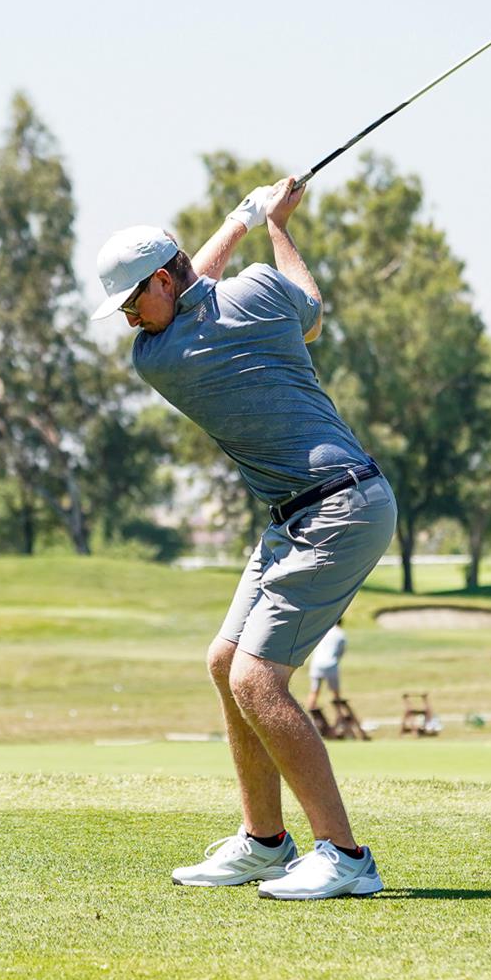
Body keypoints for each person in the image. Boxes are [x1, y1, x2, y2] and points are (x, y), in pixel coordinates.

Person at [91, 177, 393, 901]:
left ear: (164, 279)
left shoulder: (161, 353)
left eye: (134, 299)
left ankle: (345, 855)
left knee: (257, 680)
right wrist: (276, 227)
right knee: (226, 660)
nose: (132, 319)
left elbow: (207, 279)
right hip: (301, 512)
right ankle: (264, 841)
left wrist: (246, 218)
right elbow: (309, 311)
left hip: (338, 508)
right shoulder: (244, 299)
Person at [306, 623, 349, 711]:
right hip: (331, 664)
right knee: (335, 693)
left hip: (316, 664)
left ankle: (310, 713)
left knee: (314, 691)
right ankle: (340, 715)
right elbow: (341, 651)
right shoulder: (340, 633)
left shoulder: (322, 630)